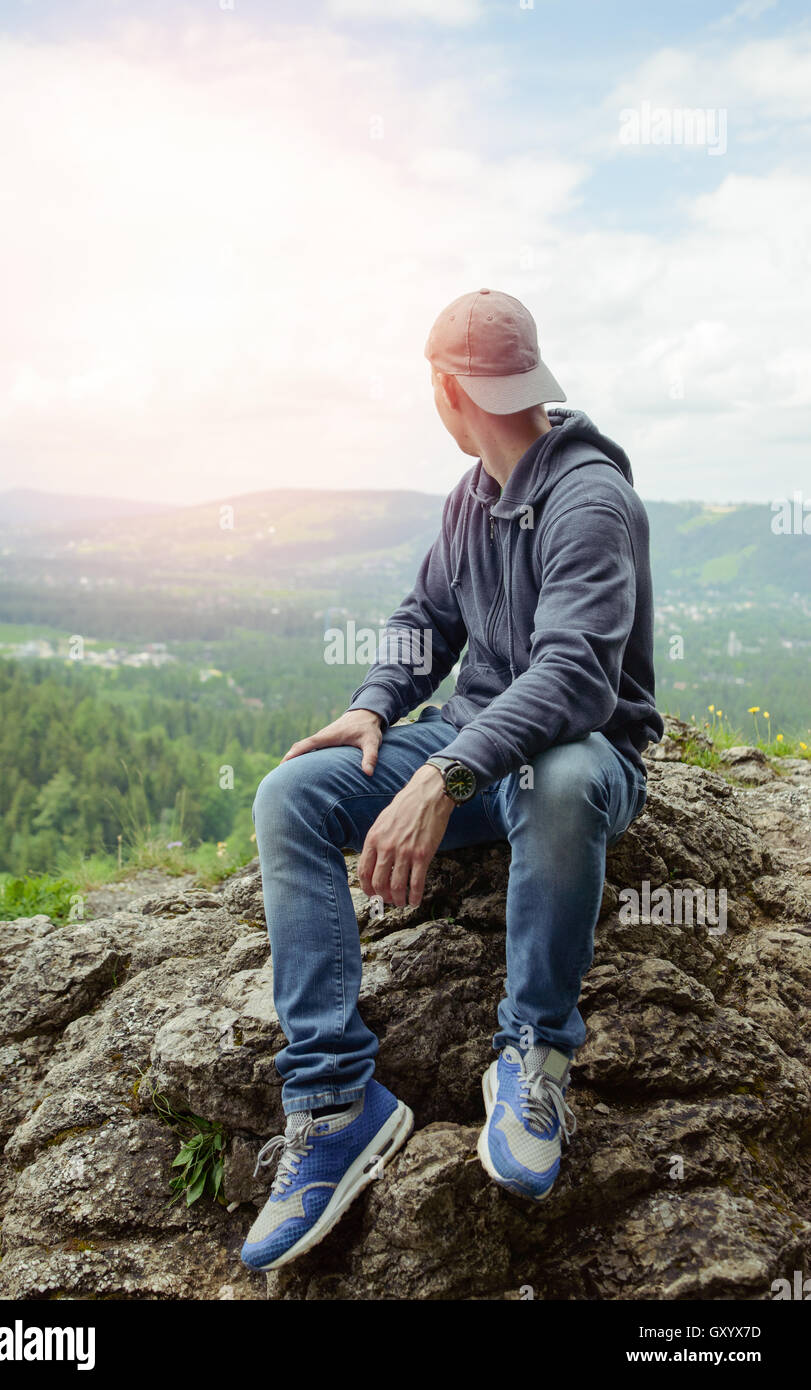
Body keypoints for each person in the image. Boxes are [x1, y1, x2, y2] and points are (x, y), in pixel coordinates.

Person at [240, 288, 663, 1272]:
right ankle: (335, 1101)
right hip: (469, 751)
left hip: (582, 755)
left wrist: (443, 773)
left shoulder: (592, 499)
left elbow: (573, 680)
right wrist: (376, 700)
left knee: (558, 780)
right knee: (290, 794)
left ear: (445, 389)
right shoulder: (472, 494)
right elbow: (422, 617)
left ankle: (534, 1056)